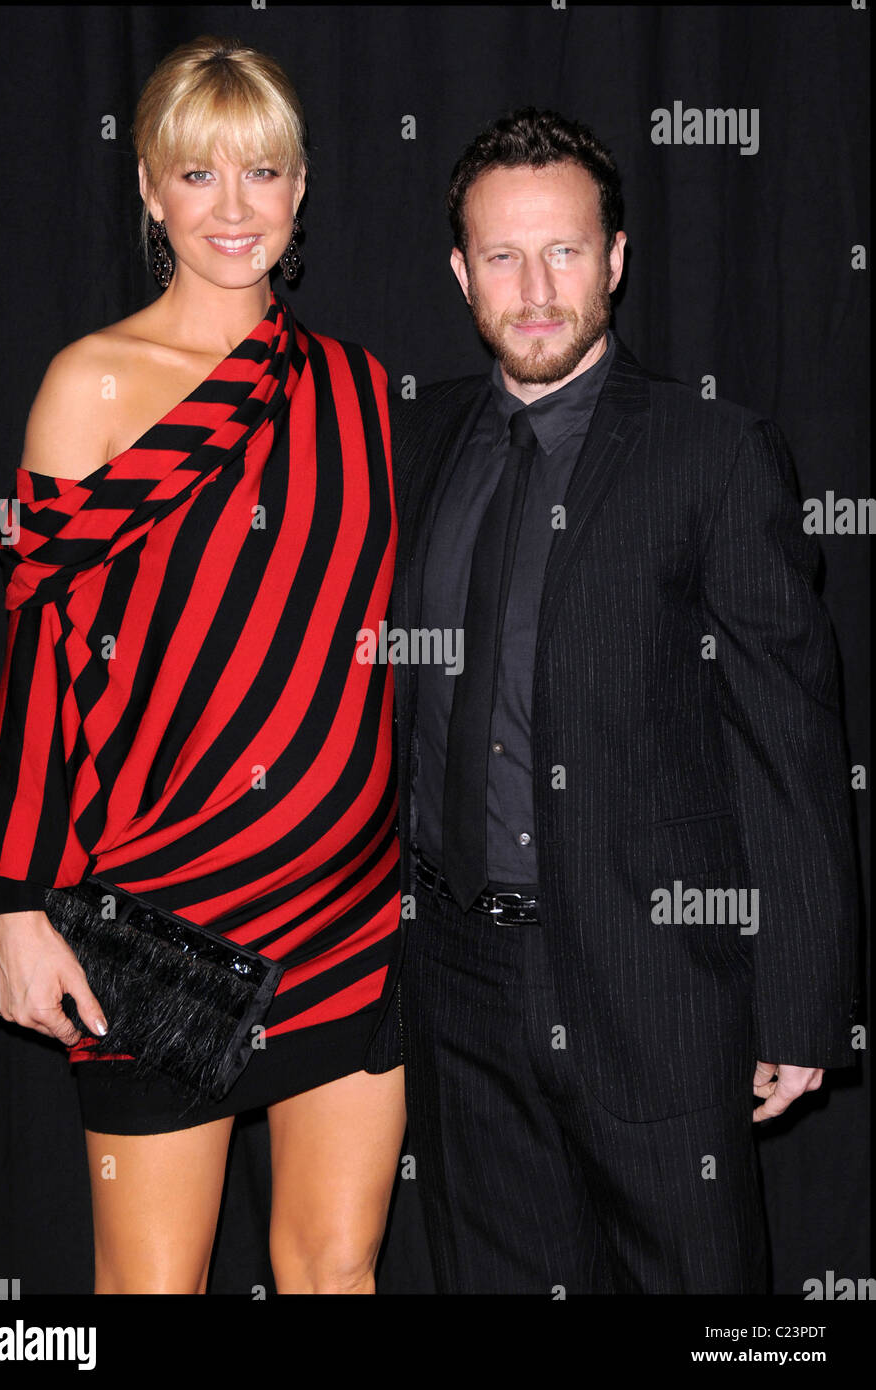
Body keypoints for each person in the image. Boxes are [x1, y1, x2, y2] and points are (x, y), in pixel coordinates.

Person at [387, 107, 860, 1294]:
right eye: (502, 254)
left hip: (654, 990)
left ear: (615, 257)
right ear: (460, 272)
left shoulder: (714, 450)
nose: (535, 287)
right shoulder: (415, 433)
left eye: (563, 251)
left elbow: (788, 738)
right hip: (455, 988)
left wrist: (801, 1005)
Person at [0, 35, 405, 1295]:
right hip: (160, 917)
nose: (232, 208)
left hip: (347, 906)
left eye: (259, 172)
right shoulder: (89, 385)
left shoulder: (363, 392)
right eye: (197, 175)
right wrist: (12, 902)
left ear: (302, 187)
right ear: (150, 190)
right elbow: (42, 664)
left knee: (337, 1270)